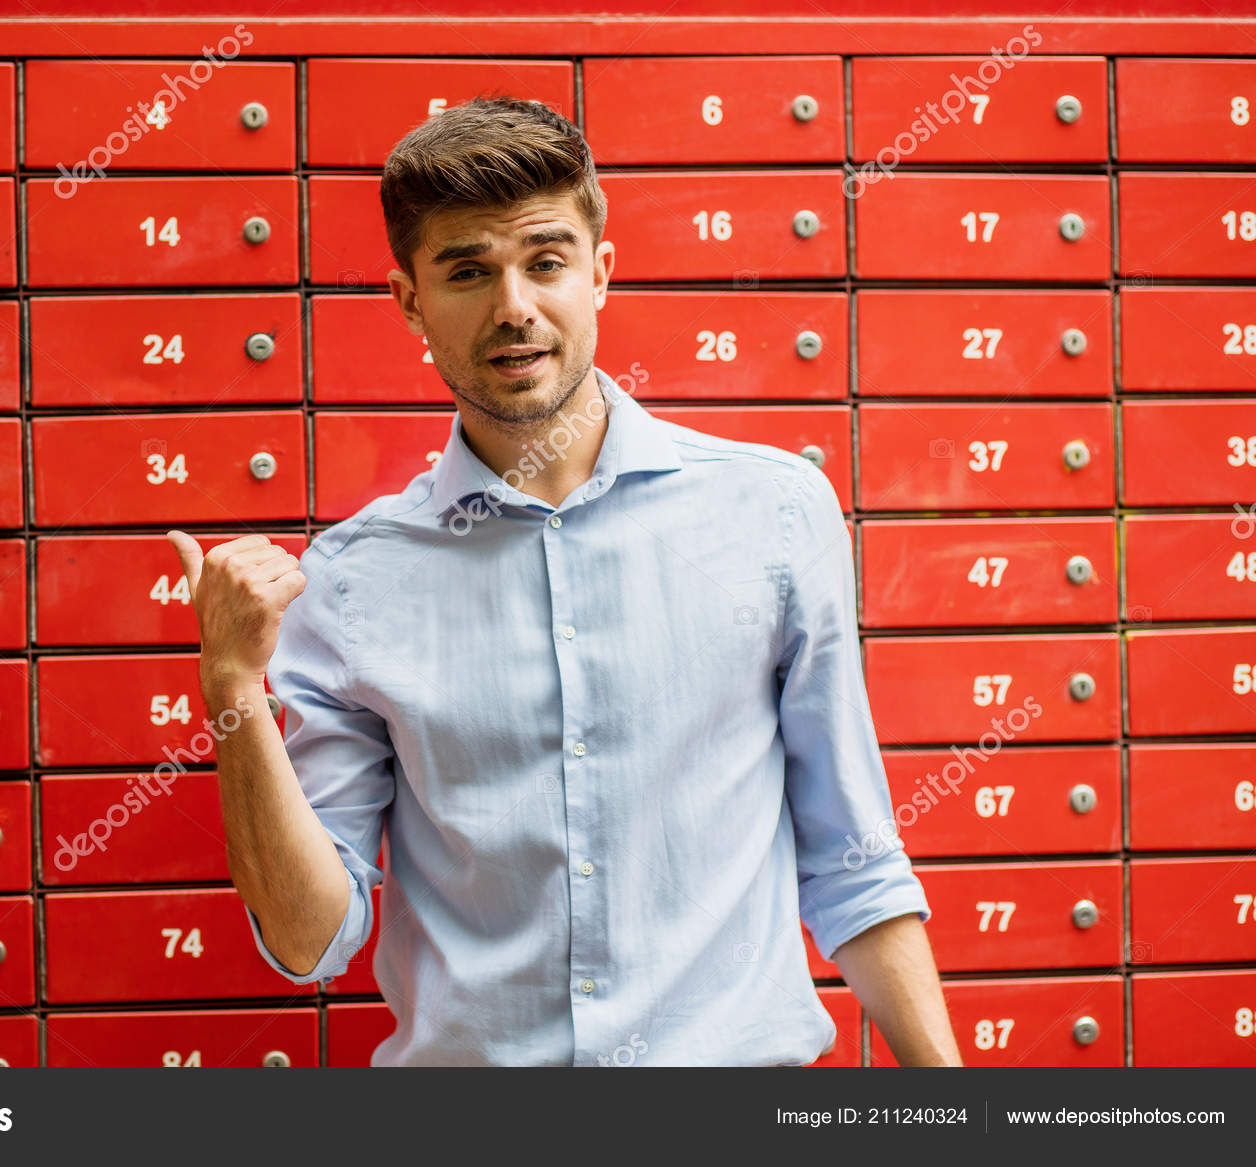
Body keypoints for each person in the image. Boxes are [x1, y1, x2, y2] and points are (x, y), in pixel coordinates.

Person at [167, 96, 960, 1067]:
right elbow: (307, 942)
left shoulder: (775, 514)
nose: (514, 307)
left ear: (600, 273)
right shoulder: (346, 584)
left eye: (545, 262)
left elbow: (854, 863)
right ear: (409, 300)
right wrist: (233, 686)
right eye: (467, 271)